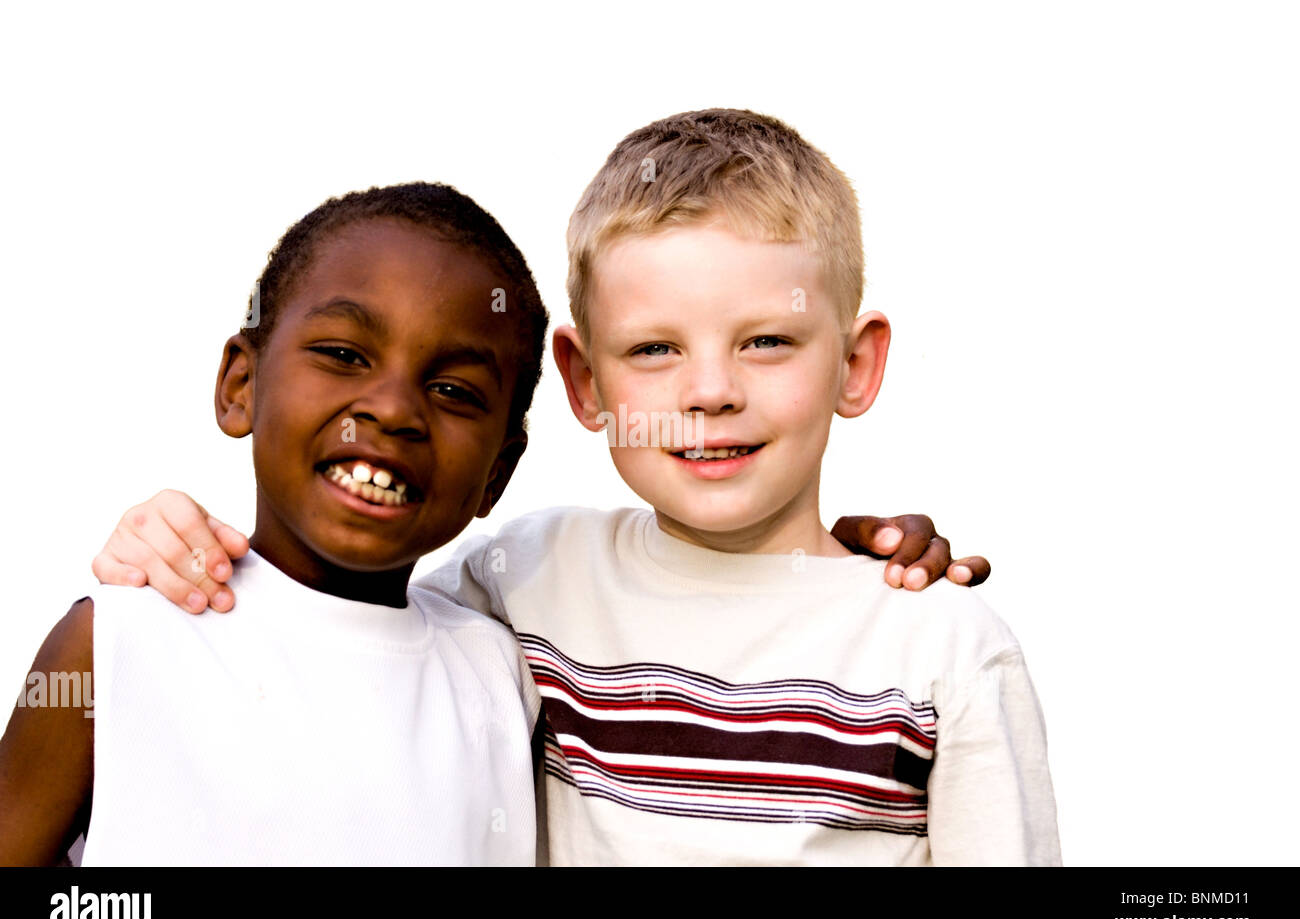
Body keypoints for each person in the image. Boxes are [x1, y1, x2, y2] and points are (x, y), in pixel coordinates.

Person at [88, 109, 1050, 865]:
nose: (710, 392)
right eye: (654, 348)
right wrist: (165, 532)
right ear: (586, 383)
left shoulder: (945, 647)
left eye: (766, 340)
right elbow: (341, 623)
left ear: (856, 364)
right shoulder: (523, 579)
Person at [0, 183, 548, 865]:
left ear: (498, 471)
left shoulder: (500, 677)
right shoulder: (117, 640)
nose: (393, 410)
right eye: (344, 355)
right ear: (241, 386)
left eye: (453, 391)